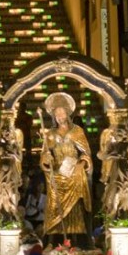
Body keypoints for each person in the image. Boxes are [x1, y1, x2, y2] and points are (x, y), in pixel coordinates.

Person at [39, 92, 92, 243]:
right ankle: (53, 239)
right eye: (57, 114)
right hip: (57, 173)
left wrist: (81, 164)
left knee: (75, 207)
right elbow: (44, 154)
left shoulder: (77, 131)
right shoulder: (50, 134)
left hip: (73, 172)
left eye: (62, 113)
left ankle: (77, 240)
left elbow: (86, 153)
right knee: (55, 205)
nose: (60, 116)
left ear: (67, 113)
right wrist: (46, 160)